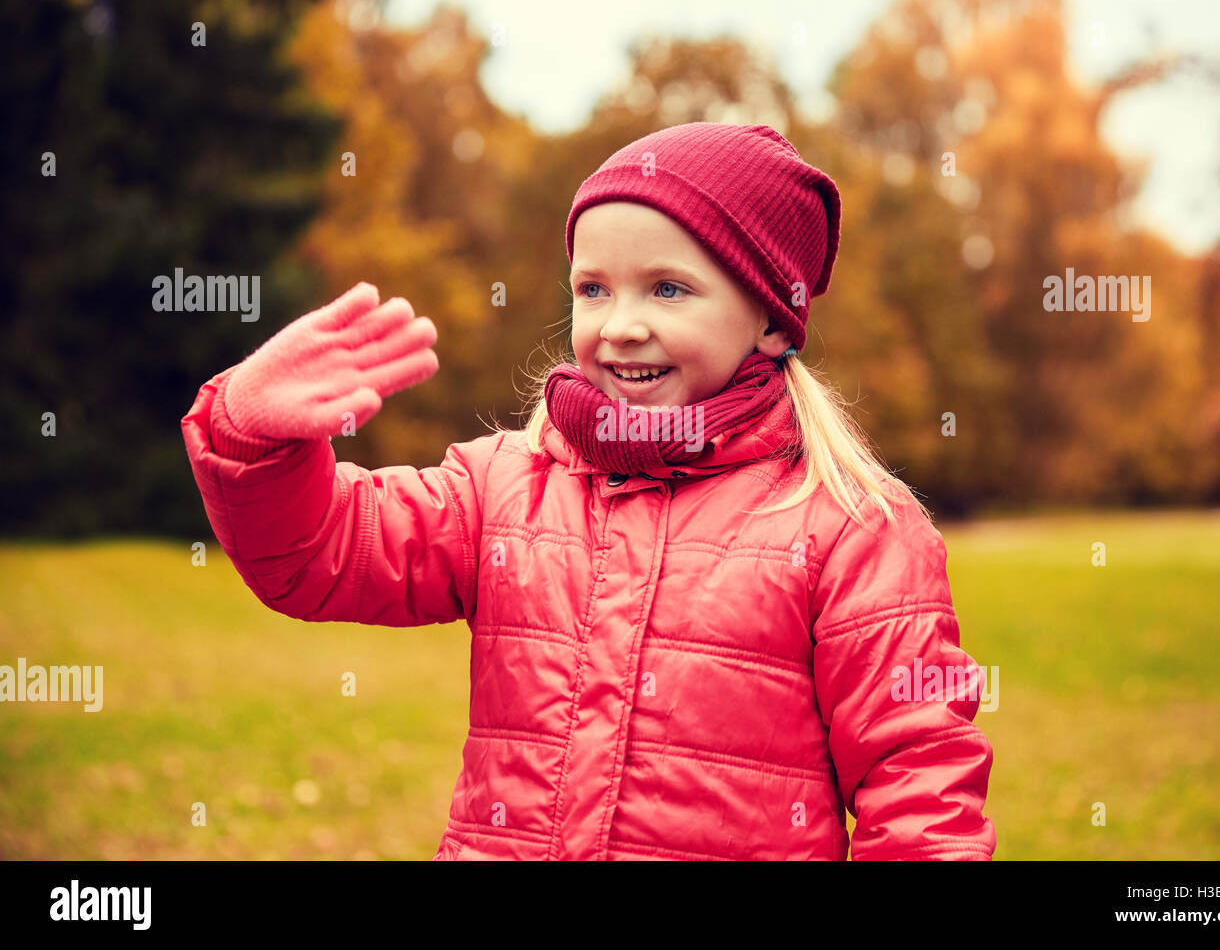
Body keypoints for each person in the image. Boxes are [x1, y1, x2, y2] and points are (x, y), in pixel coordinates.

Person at [180, 121, 996, 861]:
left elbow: (919, 782)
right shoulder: (505, 487)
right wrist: (255, 438)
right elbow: (323, 555)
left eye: (667, 289)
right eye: (593, 288)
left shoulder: (850, 525)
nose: (620, 324)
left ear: (773, 320)